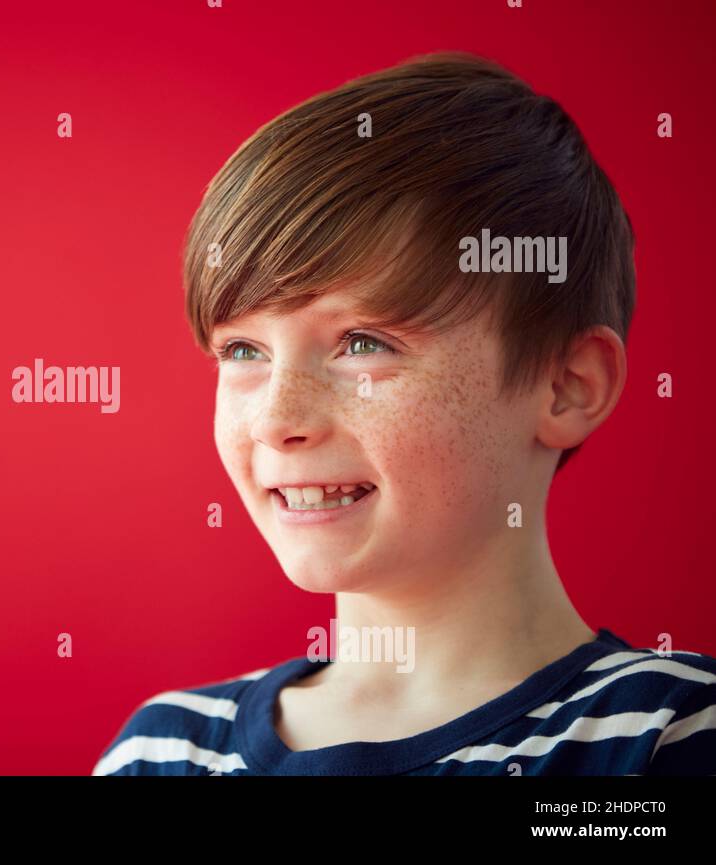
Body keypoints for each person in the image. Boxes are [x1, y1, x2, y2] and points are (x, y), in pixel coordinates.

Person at [93, 51, 716, 775]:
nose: (276, 418)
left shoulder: (666, 737)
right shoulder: (163, 751)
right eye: (242, 350)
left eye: (363, 343)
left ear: (566, 385)